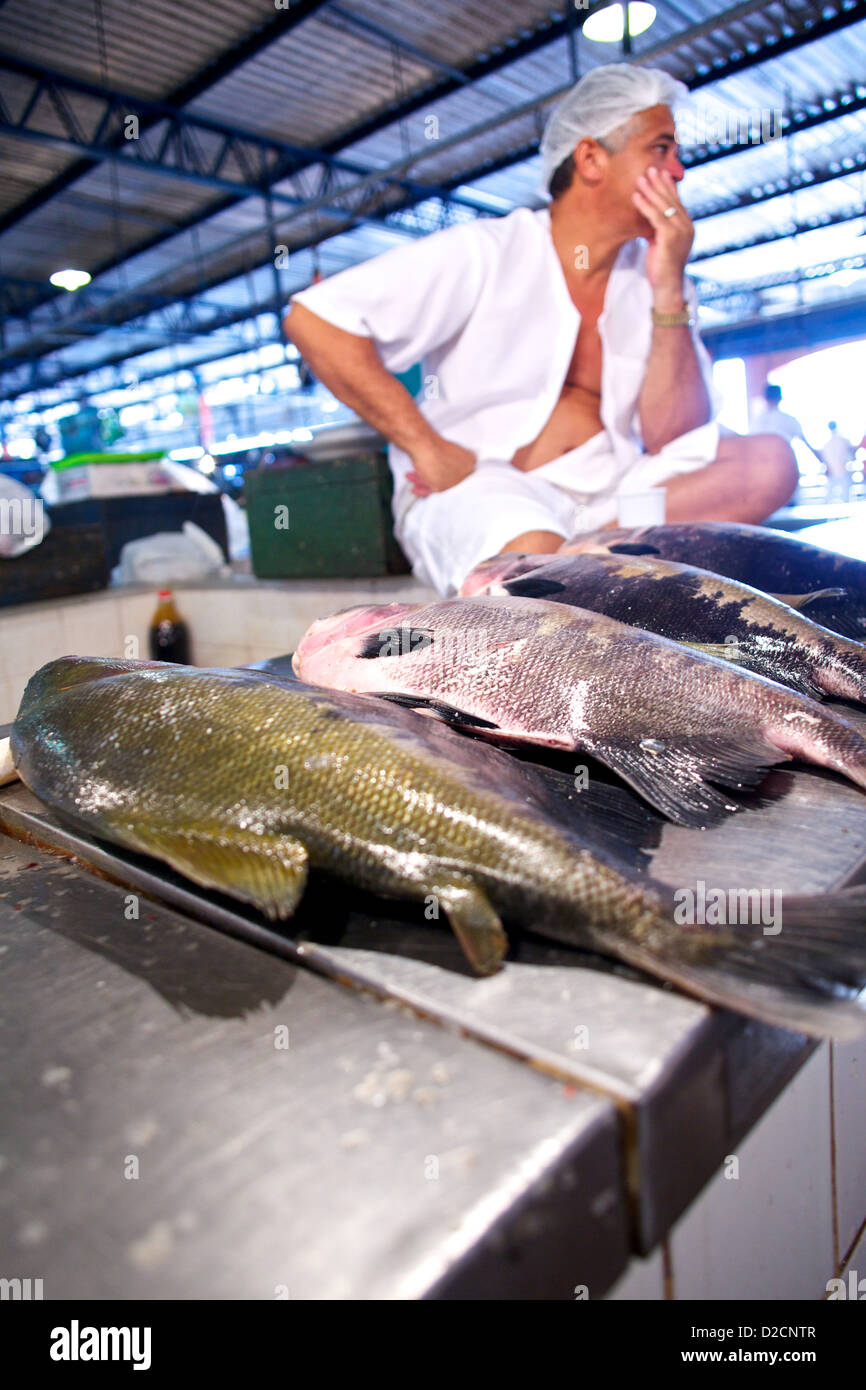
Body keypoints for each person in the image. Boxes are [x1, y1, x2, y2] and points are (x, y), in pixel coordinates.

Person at [285, 65, 797, 596]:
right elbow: (316, 319)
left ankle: (589, 552)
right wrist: (427, 447)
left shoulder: (651, 277)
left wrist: (669, 289)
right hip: (486, 486)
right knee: (536, 571)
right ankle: (577, 560)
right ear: (591, 158)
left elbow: (674, 437)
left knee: (770, 464)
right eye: (661, 149)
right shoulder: (488, 250)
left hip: (611, 495)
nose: (680, 171)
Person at [821, 422, 854, 499]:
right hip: (841, 471)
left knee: (830, 496)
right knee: (845, 496)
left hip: (835, 472)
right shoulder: (844, 441)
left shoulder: (826, 444)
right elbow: (851, 456)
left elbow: (824, 460)